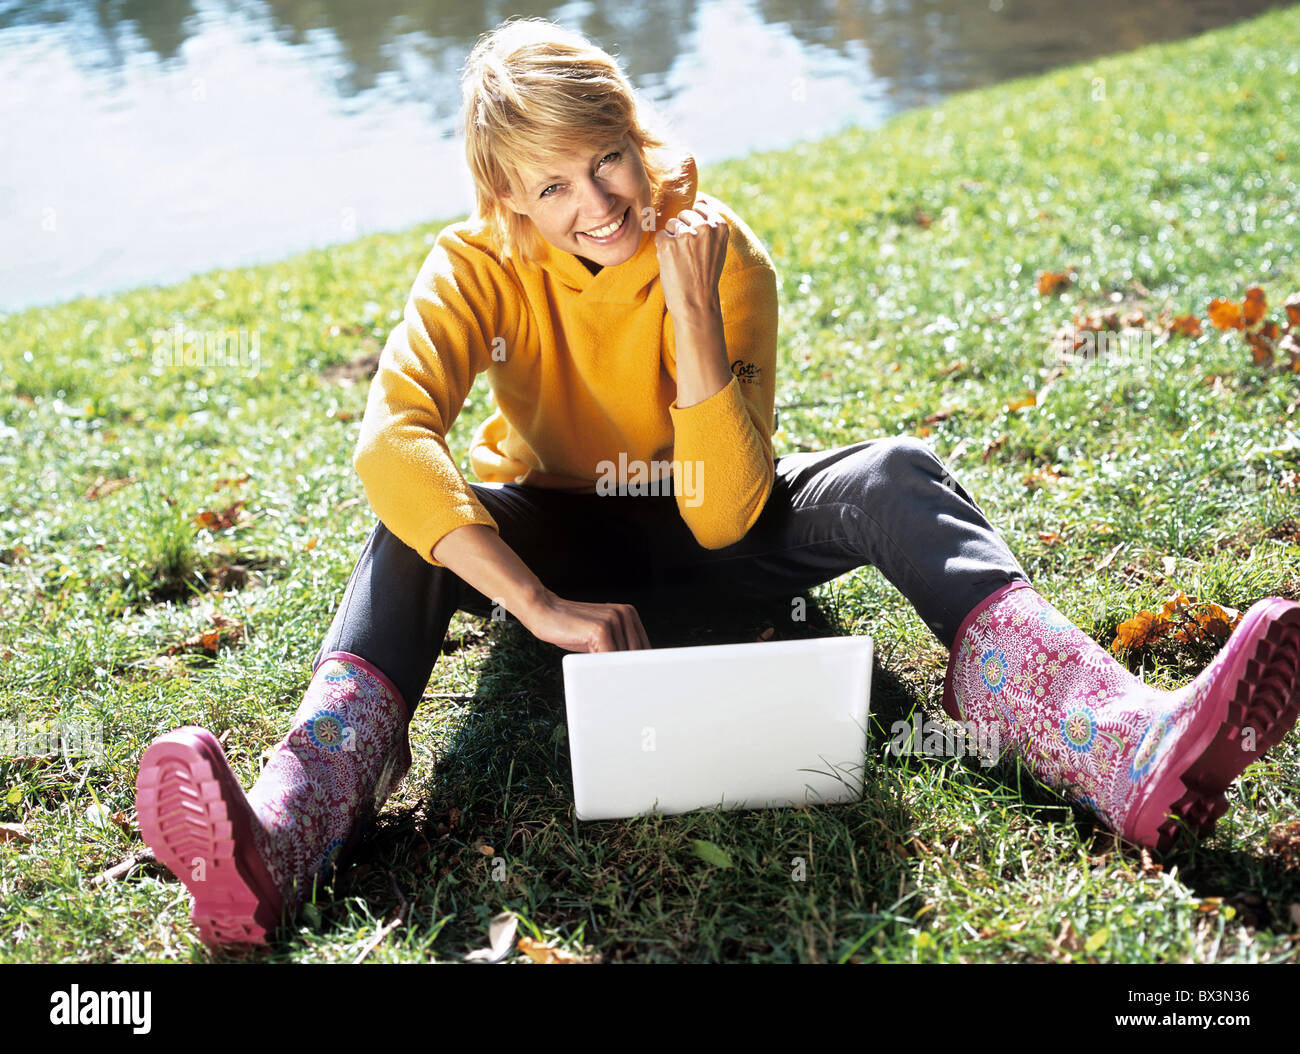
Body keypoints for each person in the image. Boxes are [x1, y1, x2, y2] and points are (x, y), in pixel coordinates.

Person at [134, 18, 1300, 950]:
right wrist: (534, 606)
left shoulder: (723, 250)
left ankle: (1118, 745)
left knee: (894, 472)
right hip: (553, 540)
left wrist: (688, 308)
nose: (597, 204)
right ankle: (290, 827)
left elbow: (724, 508)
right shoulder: (474, 265)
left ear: (634, 132)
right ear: (508, 203)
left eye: (607, 158)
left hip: (711, 525)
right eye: (552, 188)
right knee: (412, 525)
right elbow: (391, 439)